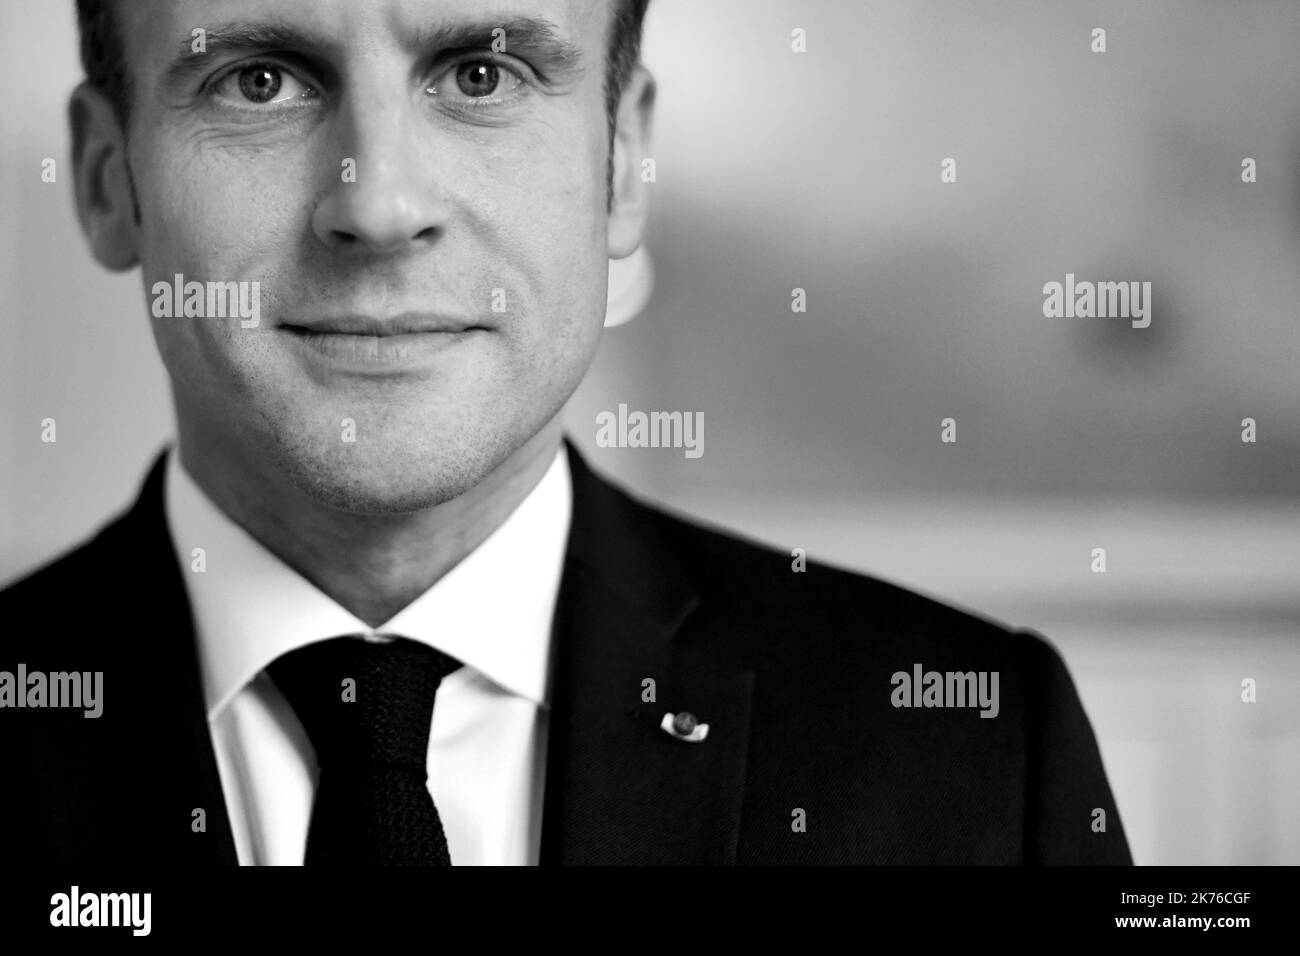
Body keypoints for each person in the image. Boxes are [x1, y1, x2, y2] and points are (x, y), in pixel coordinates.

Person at [0, 0, 1131, 865]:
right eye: (259, 81)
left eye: (481, 73)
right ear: (110, 181)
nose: (380, 205)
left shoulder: (973, 753)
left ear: (622, 161)